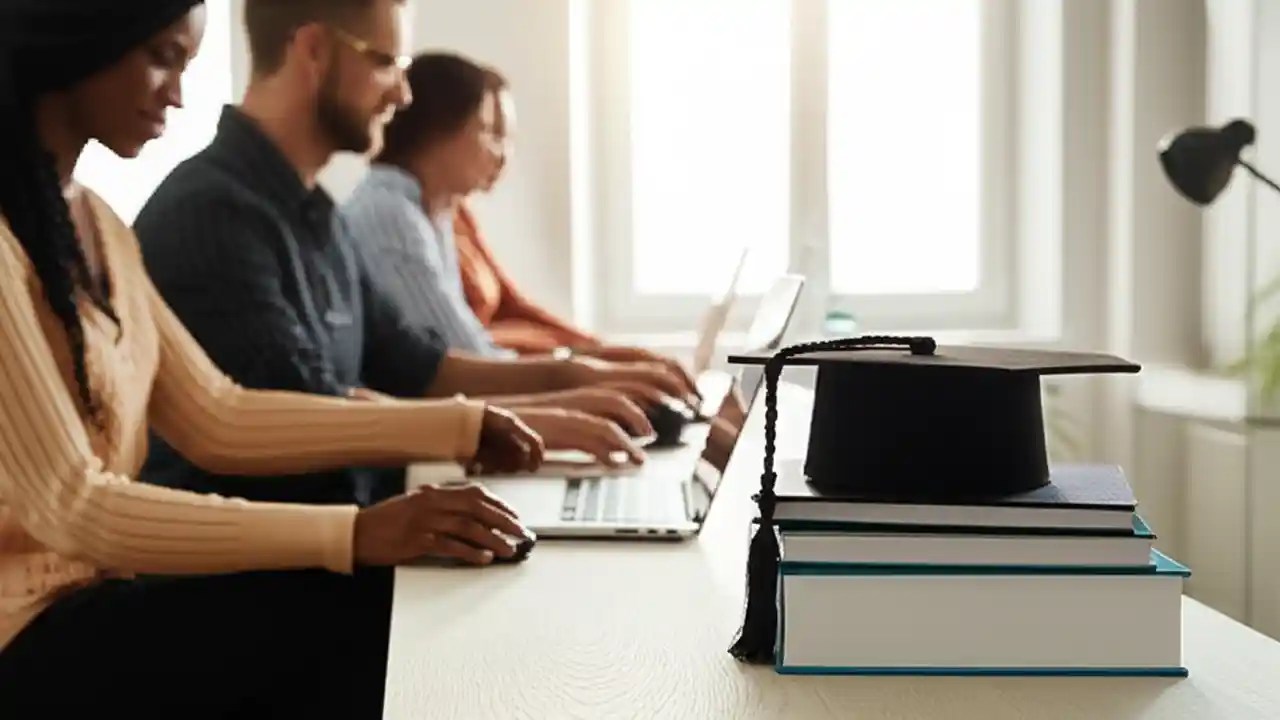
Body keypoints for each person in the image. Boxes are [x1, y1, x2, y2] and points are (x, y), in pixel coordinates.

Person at [0, 1, 545, 715]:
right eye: (162, 57)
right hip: (25, 638)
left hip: (99, 598)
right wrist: (357, 532)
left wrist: (465, 428)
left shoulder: (97, 224)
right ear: (76, 40)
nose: (179, 93)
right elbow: (77, 504)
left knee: (420, 597)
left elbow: (219, 415)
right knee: (375, 620)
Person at [133, 0, 698, 508]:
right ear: (313, 50)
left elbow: (415, 363)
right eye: (386, 62)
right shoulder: (211, 216)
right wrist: (512, 425)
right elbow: (307, 416)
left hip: (349, 534)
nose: (403, 93)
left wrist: (576, 382)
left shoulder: (316, 212)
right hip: (263, 580)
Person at [342, 52, 697, 386]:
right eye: (487, 131)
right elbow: (460, 356)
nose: (501, 155)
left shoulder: (433, 213)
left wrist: (600, 361)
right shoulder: (390, 217)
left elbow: (482, 338)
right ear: (438, 130)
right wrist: (585, 373)